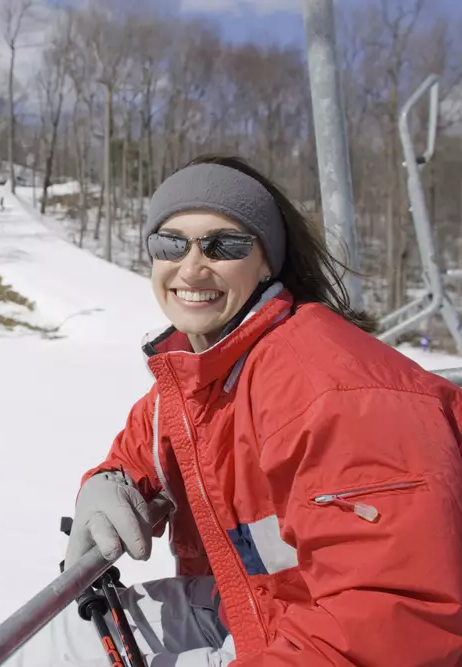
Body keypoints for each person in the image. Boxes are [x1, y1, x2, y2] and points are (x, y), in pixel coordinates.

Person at [61, 154, 462, 666]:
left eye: (223, 244)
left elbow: (393, 624)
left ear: (267, 261)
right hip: (259, 621)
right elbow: (153, 438)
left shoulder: (333, 391)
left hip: (317, 643)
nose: (191, 267)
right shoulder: (204, 377)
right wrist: (111, 480)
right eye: (170, 243)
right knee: (61, 644)